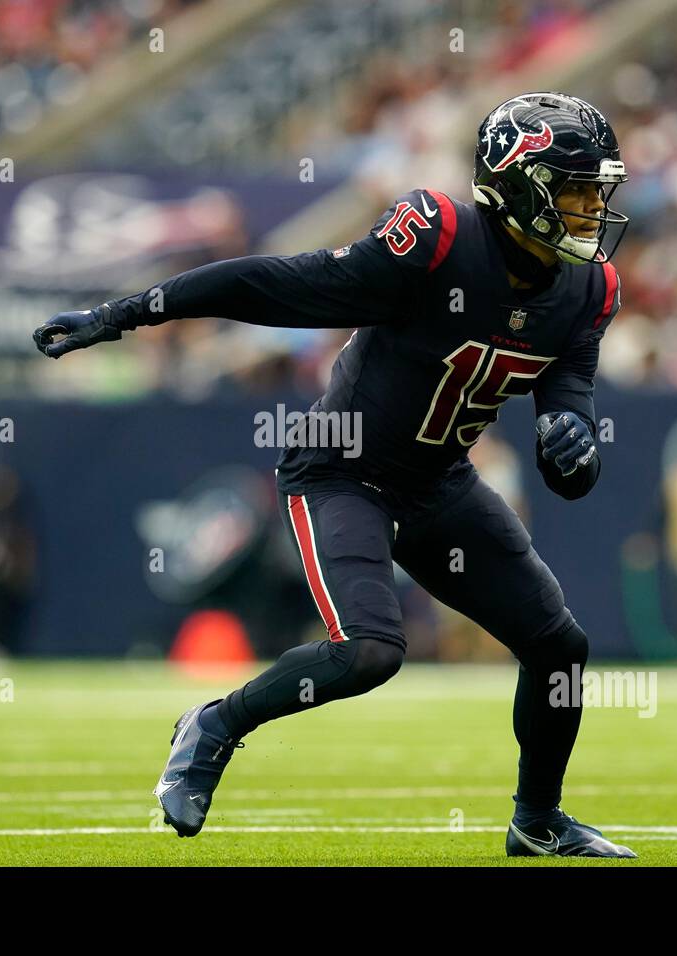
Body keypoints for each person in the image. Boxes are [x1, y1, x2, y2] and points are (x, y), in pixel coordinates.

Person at [34, 92, 634, 857]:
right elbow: (286, 282)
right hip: (341, 470)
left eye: (596, 190)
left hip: (438, 483)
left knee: (559, 648)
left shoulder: (590, 290)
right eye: (576, 189)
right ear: (518, 185)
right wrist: (124, 314)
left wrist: (572, 439)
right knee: (370, 651)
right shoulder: (440, 238)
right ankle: (214, 724)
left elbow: (570, 430)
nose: (592, 208)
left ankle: (538, 821)